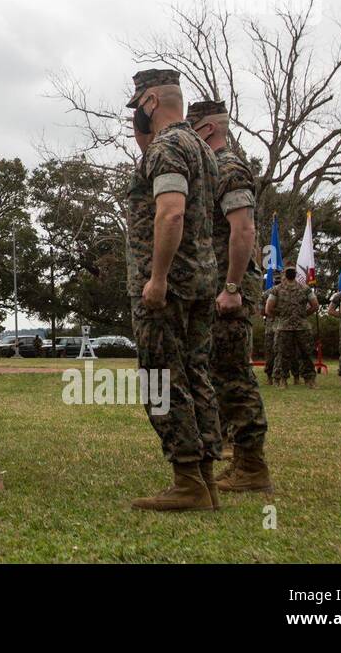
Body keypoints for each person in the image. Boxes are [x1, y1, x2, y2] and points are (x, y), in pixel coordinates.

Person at [123, 69, 221, 512]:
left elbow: (171, 214)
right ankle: (205, 480)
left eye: (136, 108)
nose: (134, 120)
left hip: (170, 286)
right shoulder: (202, 148)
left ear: (150, 103)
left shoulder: (166, 147)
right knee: (196, 375)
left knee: (162, 378)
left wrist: (157, 278)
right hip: (202, 281)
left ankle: (187, 480)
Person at [186, 99, 271, 493]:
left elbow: (245, 231)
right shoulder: (212, 169)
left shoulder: (229, 167)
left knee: (234, 375)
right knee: (218, 371)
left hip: (230, 288)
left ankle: (252, 467)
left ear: (206, 129)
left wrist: (232, 287)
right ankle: (232, 455)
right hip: (217, 285)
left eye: (192, 129)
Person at [265, 267, 319, 388]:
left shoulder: (305, 288)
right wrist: (282, 316)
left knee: (306, 353)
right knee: (283, 354)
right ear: (284, 274)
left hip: (301, 327)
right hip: (285, 327)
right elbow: (268, 309)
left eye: (292, 271)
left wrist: (302, 315)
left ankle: (310, 379)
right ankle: (283, 379)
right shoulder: (276, 290)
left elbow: (315, 305)